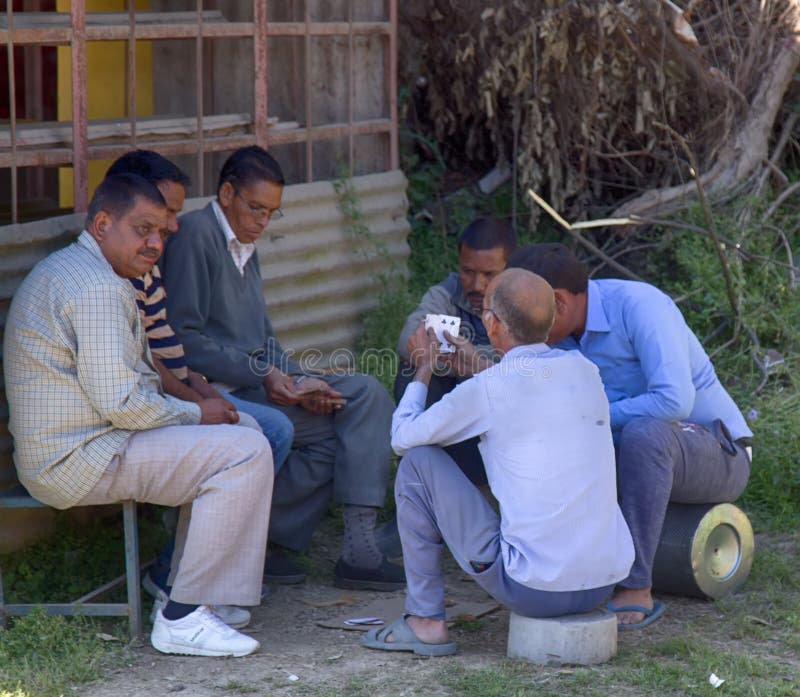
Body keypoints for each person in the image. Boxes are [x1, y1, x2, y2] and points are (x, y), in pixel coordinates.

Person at [4, 173, 274, 657]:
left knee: (246, 431)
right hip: (78, 458)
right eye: (143, 229)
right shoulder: (97, 288)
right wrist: (195, 415)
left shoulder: (85, 271)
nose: (154, 243)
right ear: (103, 223)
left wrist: (198, 408)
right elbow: (123, 404)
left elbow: (125, 395)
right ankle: (183, 617)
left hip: (92, 441)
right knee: (244, 452)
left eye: (162, 233)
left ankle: (190, 592)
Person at [161, 145, 403, 590]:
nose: (262, 222)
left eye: (272, 213)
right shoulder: (197, 235)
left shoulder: (245, 246)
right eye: (255, 208)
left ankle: (356, 546)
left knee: (362, 397)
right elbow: (182, 339)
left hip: (254, 383)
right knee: (334, 435)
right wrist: (265, 376)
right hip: (218, 391)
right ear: (227, 193)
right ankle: (252, 538)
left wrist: (296, 378)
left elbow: (263, 337)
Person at [361, 268, 634, 656]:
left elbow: (403, 439)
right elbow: (527, 387)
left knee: (417, 463)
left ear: (491, 324)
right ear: (551, 319)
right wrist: (482, 367)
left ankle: (425, 621)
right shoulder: (586, 372)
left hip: (534, 591)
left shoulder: (487, 389)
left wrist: (424, 366)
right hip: (602, 584)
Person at [507, 243, 752, 630]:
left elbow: (674, 401)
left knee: (643, 433)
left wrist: (590, 417)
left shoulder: (641, 306)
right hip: (641, 450)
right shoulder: (558, 335)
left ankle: (636, 586)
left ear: (558, 301)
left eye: (525, 316)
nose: (521, 331)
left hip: (717, 451)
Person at [105, 151, 294, 626]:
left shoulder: (144, 269)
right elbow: (129, 393)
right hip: (100, 442)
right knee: (259, 436)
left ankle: (201, 579)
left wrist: (201, 393)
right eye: (161, 216)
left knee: (258, 428)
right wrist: (200, 407)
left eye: (169, 216)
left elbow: (163, 359)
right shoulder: (102, 281)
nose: (171, 228)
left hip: (171, 397)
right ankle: (178, 583)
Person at [394, 218, 515, 486]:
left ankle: (475, 483)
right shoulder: (449, 292)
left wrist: (476, 362)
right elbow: (409, 340)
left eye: (489, 275)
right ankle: (419, 484)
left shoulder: (524, 299)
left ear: (510, 269)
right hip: (461, 411)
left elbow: (525, 365)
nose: (476, 284)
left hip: (509, 422)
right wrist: (467, 367)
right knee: (410, 370)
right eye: (467, 271)